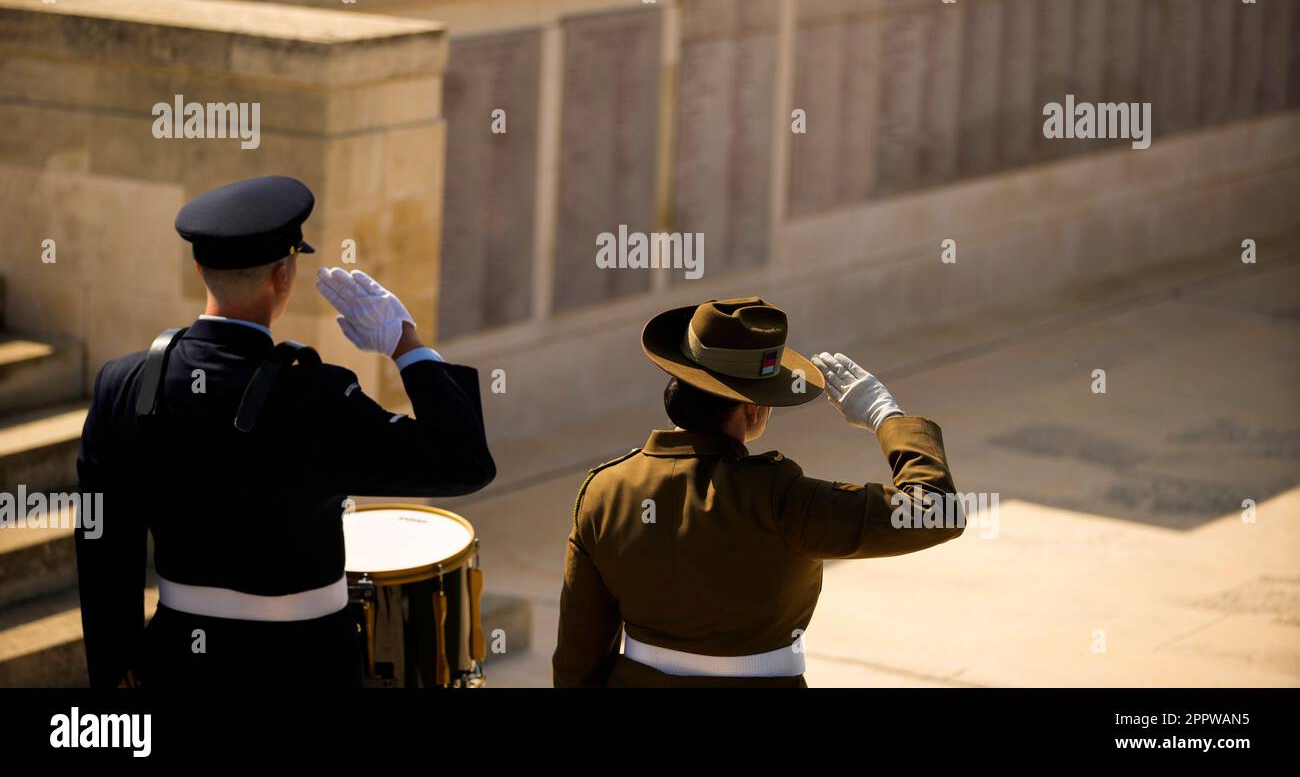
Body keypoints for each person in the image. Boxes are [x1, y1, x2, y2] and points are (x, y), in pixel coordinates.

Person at [75, 175, 495, 688]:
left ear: (198, 268)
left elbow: (103, 555)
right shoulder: (316, 396)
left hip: (177, 662)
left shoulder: (124, 384)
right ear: (283, 275)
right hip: (305, 664)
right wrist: (407, 346)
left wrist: (115, 680)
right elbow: (462, 460)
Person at [553, 296, 964, 687]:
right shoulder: (781, 498)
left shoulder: (604, 490)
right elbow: (937, 511)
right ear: (752, 409)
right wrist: (886, 416)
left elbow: (577, 660)